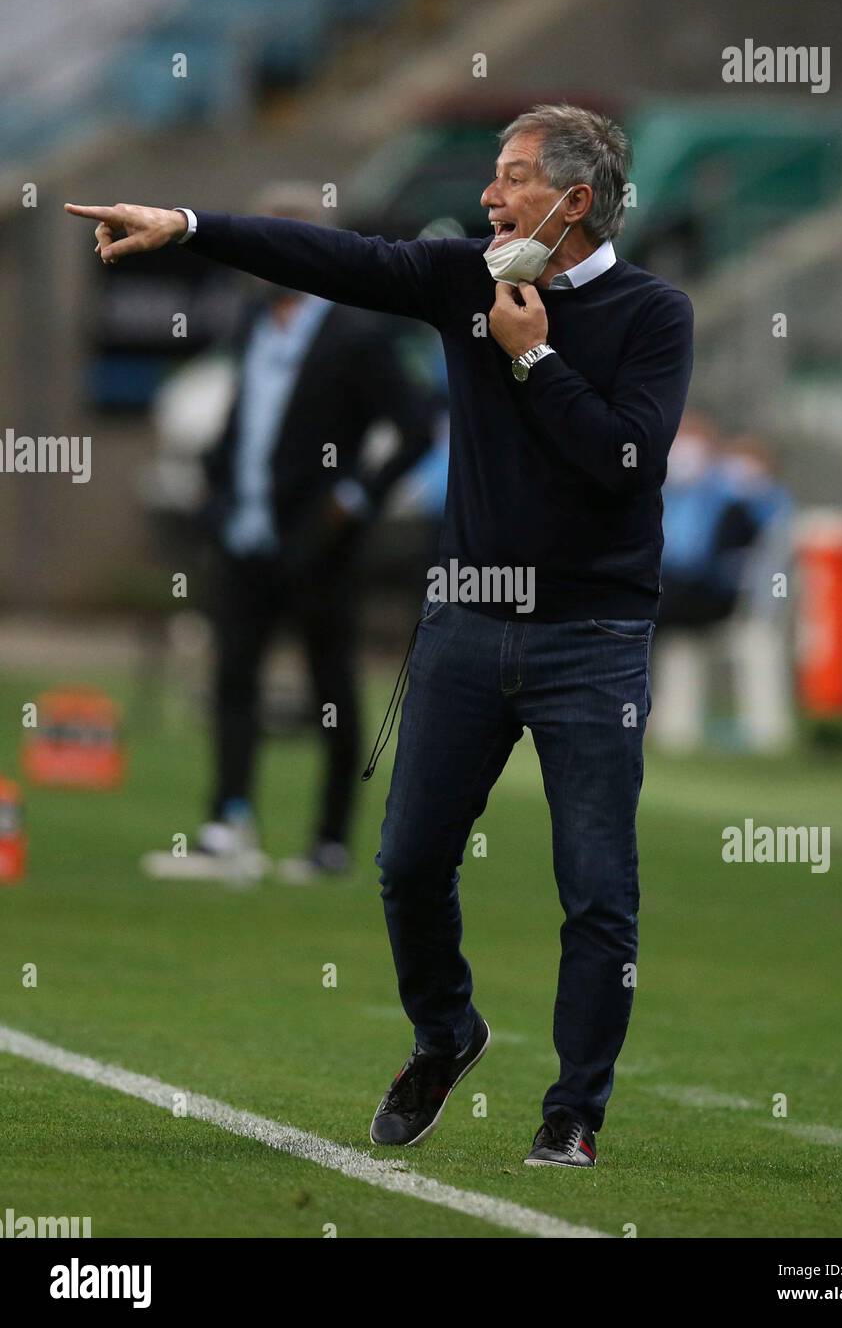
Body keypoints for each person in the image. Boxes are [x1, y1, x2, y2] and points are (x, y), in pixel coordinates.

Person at [65, 101, 694, 1168]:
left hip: (590, 635)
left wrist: (534, 360)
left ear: (575, 202)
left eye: (511, 177)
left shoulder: (651, 314)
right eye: (491, 176)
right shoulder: (463, 276)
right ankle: (446, 1033)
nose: (488, 197)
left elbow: (625, 462)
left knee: (595, 888)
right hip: (459, 623)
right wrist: (186, 224)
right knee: (405, 865)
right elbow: (336, 258)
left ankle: (572, 1111)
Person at [166, 183, 435, 880]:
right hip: (245, 533)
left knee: (329, 686)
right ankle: (229, 825)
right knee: (233, 679)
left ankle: (330, 839)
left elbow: (414, 428)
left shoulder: (357, 332)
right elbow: (245, 421)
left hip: (317, 538)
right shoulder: (256, 323)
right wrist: (216, 489)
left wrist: (351, 499)